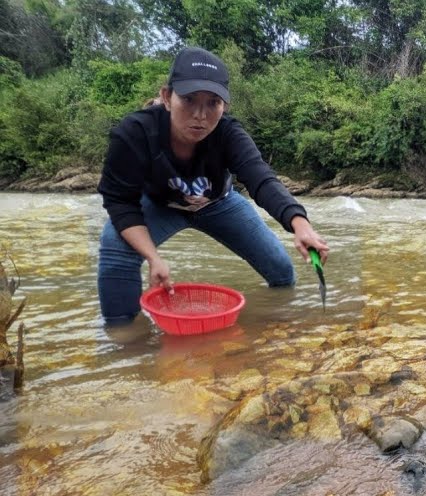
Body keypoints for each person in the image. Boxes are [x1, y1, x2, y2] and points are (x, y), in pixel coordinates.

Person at [96, 46, 329, 324]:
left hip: (218, 203)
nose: (200, 115)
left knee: (281, 271)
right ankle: (124, 342)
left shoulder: (229, 134)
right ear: (167, 97)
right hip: (159, 206)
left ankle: (277, 322)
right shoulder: (134, 133)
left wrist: (300, 224)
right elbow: (120, 202)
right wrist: (153, 257)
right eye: (189, 99)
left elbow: (260, 177)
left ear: (225, 106)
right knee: (115, 247)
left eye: (212, 103)